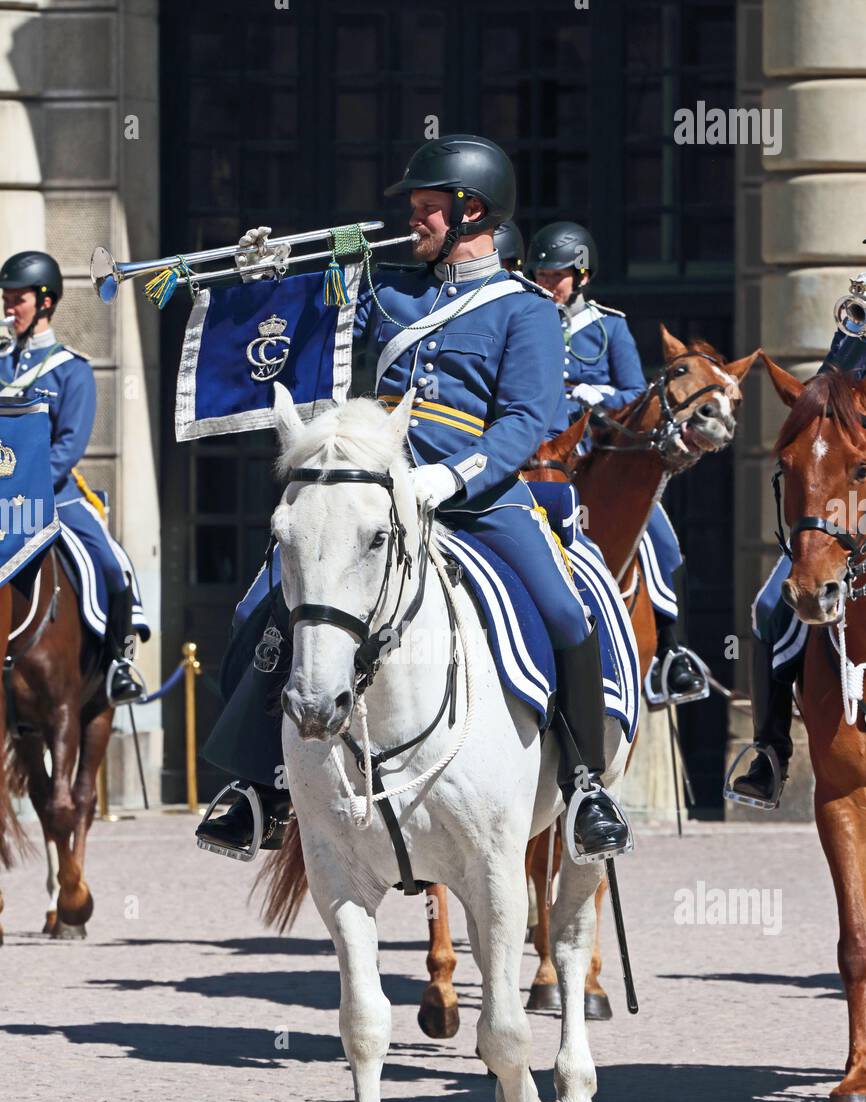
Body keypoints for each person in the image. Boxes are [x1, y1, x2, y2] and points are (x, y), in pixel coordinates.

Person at [197, 134, 630, 863]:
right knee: (261, 603)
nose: (416, 221)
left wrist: (453, 476)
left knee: (563, 608)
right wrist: (266, 277)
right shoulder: (390, 289)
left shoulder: (524, 310)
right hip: (375, 491)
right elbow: (313, 333)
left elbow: (527, 418)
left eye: (430, 209)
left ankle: (585, 785)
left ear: (474, 214)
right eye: (419, 210)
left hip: (479, 499)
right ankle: (259, 786)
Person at [525, 219, 706, 703]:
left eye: (556, 275)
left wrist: (596, 396)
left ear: (582, 276)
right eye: (540, 275)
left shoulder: (610, 326)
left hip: (598, 454)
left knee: (663, 545)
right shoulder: (522, 316)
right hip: (539, 457)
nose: (547, 284)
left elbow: (633, 390)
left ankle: (672, 652)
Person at [727, 325, 866, 808]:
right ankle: (770, 752)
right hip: (849, 512)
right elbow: (823, 398)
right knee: (768, 606)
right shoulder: (854, 327)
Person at [0, 250, 145, 704]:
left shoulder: (73, 370)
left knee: (111, 563)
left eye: (16, 299)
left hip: (54, 498)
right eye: (5, 299)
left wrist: (30, 485)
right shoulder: (0, 364)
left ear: (45, 302)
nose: (8, 308)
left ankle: (119, 661)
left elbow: (68, 446)